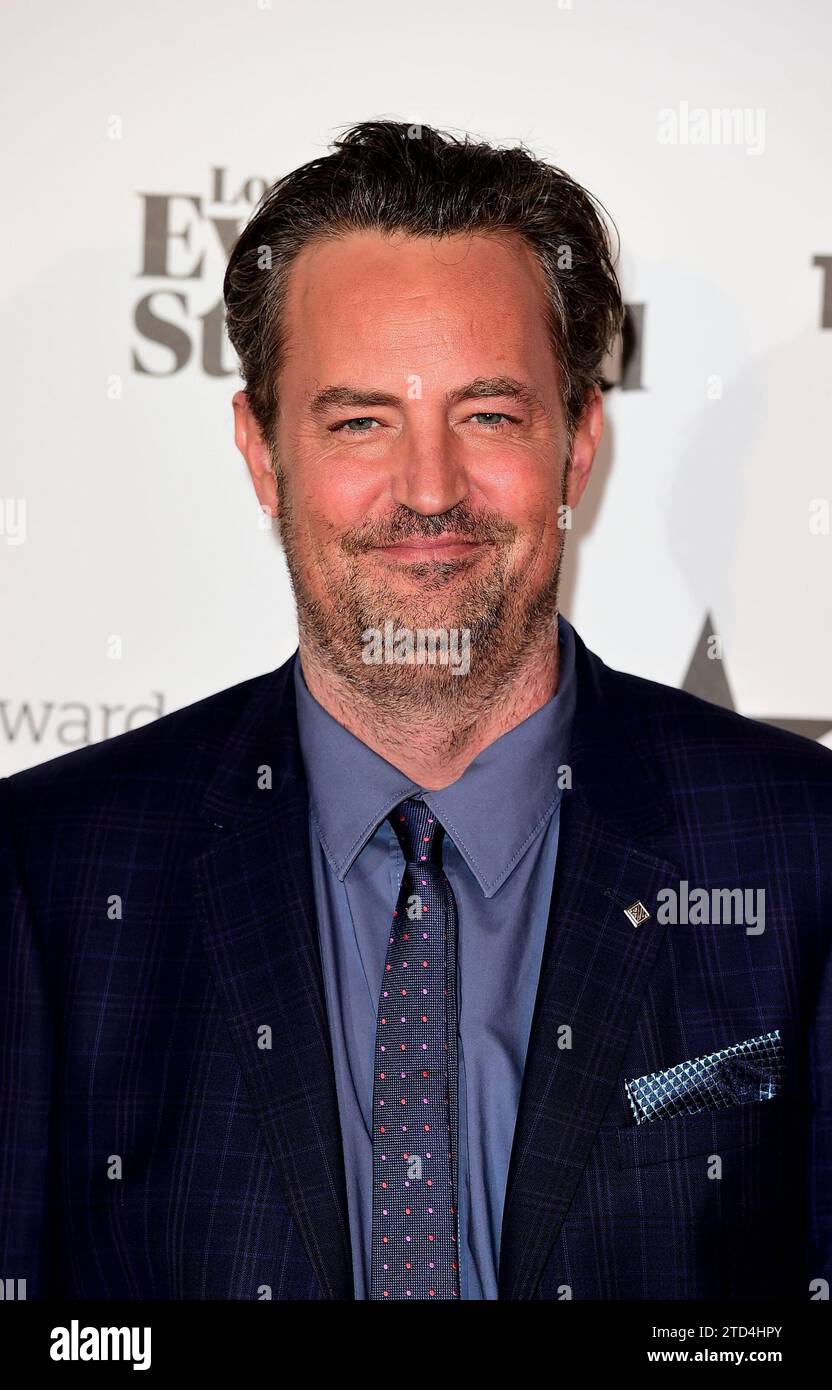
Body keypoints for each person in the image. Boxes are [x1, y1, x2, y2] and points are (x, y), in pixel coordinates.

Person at [1, 120, 830, 1301]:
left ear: (578, 444)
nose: (429, 490)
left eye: (488, 414)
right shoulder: (56, 873)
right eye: (359, 422)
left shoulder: (803, 849)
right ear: (259, 452)